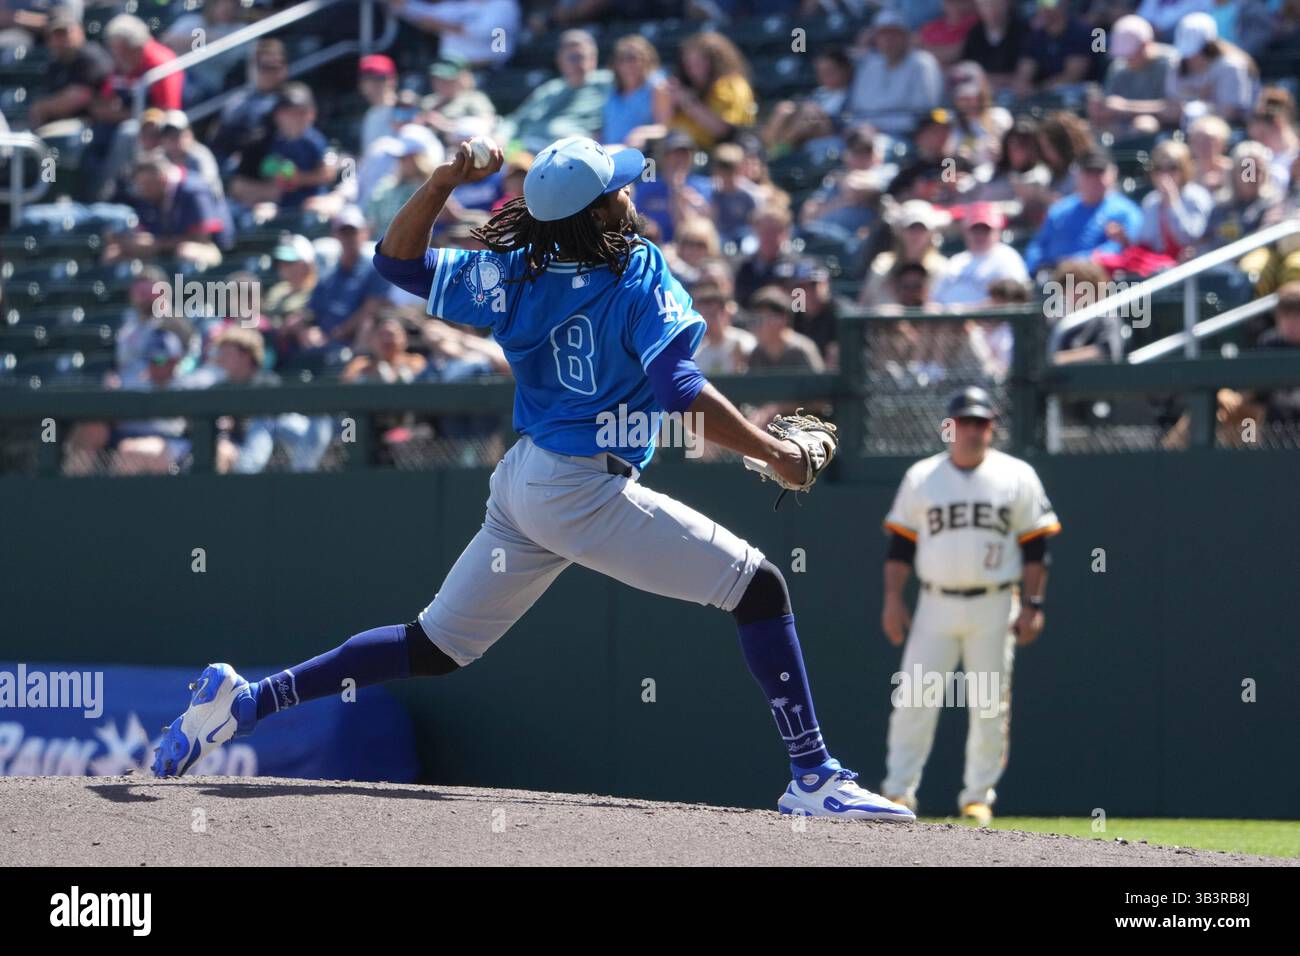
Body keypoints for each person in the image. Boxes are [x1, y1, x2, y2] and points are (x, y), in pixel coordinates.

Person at [151, 134, 918, 825]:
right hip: (580, 489)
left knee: (434, 647)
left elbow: (396, 264)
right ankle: (814, 774)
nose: (629, 191)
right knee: (760, 589)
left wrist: (446, 178)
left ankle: (243, 703)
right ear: (599, 209)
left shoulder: (511, 270)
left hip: (526, 482)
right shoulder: (634, 270)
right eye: (619, 187)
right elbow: (679, 388)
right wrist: (771, 451)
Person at [880, 387, 1060, 824]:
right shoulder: (922, 477)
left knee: (988, 704)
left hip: (995, 604)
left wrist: (1034, 603)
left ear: (992, 427)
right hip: (934, 601)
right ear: (950, 427)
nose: (974, 430)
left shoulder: (1017, 475)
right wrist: (892, 599)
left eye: (981, 422)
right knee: (914, 698)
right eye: (966, 422)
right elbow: (901, 545)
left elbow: (1036, 547)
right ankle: (899, 793)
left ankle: (978, 795)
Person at [1023, 147, 1143, 276]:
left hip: (1097, 282)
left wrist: (1073, 263)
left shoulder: (1126, 211)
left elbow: (1120, 249)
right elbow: (1037, 246)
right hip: (1052, 279)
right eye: (1088, 173)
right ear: (1077, 175)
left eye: (1099, 173)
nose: (1094, 179)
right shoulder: (1060, 210)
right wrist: (1036, 264)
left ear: (1113, 173)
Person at [496, 29, 612, 153]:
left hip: (574, 150)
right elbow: (516, 120)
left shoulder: (608, 82)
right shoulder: (551, 88)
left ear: (594, 58)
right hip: (528, 146)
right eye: (572, 58)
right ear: (560, 60)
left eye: (583, 57)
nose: (579, 63)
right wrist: (500, 136)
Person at [845, 10, 945, 137]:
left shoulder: (922, 63)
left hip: (908, 137)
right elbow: (856, 110)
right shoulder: (868, 65)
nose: (888, 39)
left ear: (907, 36)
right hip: (865, 135)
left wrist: (876, 128)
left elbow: (922, 115)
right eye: (883, 34)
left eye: (894, 33)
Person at [1089, 14, 1179, 136]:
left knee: (1145, 125)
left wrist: (1126, 107)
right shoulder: (1119, 66)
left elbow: (1174, 111)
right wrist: (1101, 110)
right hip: (1121, 127)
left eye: (1130, 53)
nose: (1126, 59)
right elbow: (1110, 107)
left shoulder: (1170, 62)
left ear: (1145, 45)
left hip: (1163, 132)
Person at [1162, 11, 1256, 127]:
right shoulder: (1176, 65)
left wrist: (1194, 109)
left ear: (1210, 46)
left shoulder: (1232, 67)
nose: (1191, 58)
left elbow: (1229, 113)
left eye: (1198, 50)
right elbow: (1172, 105)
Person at [667, 31, 756, 149]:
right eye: (688, 65)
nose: (693, 71)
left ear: (716, 62)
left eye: (698, 63)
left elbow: (723, 130)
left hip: (734, 153)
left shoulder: (733, 85)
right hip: (692, 154)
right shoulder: (689, 89)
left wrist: (689, 102)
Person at [26, 9, 111, 129]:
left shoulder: (90, 55)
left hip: (93, 125)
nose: (60, 40)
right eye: (55, 35)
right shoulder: (55, 64)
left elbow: (81, 97)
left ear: (79, 31)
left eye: (64, 33)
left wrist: (42, 107)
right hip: (67, 124)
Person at [930, 203, 1029, 306]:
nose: (979, 235)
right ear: (965, 231)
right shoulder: (956, 261)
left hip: (989, 321)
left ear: (998, 231)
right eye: (975, 229)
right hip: (948, 320)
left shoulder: (1007, 258)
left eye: (985, 230)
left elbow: (1013, 301)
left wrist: (964, 311)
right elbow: (934, 300)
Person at [384, 0, 520, 67]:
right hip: (450, 69)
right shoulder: (463, 5)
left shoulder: (504, 4)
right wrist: (402, 6)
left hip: (489, 68)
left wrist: (443, 25)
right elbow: (425, 14)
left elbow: (486, 31)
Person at [1013, 0, 1099, 97]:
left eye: (1050, 2)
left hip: (1075, 97)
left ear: (1064, 3)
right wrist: (1023, 87)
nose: (1045, 7)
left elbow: (1072, 76)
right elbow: (1024, 73)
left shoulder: (1081, 32)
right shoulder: (1036, 36)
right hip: (1041, 96)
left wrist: (1037, 90)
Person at [602, 34, 671, 149]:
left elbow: (665, 128)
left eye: (633, 58)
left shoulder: (657, 88)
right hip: (609, 153)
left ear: (646, 60)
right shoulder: (611, 92)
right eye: (622, 59)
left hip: (641, 156)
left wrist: (641, 133)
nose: (628, 64)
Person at [747, 284, 826, 373]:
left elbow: (817, 385)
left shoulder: (801, 351)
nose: (757, 326)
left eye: (762, 319)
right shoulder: (756, 354)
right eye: (755, 320)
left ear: (782, 319)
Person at [691, 280, 755, 375]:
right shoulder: (695, 352)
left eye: (712, 315)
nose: (707, 321)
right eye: (703, 317)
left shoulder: (745, 341)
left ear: (725, 314)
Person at [357, 54, 399, 154]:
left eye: (380, 79)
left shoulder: (403, 109)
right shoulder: (370, 115)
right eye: (368, 79)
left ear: (392, 80)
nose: (373, 85)